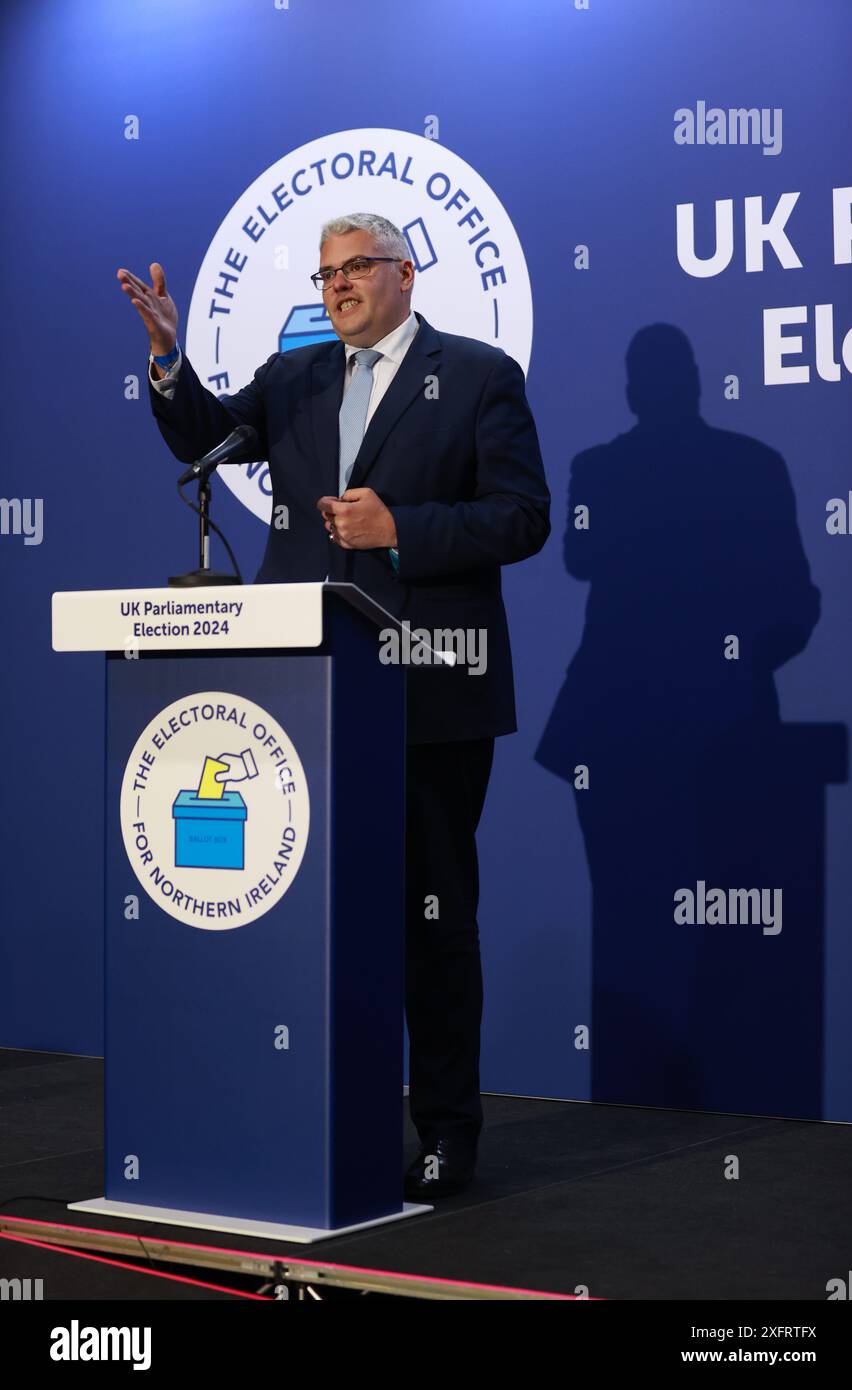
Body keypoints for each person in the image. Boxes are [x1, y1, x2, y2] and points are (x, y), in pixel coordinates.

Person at [117, 212, 550, 1199]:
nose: (337, 287)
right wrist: (168, 359)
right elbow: (206, 437)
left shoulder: (478, 375)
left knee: (430, 921)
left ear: (404, 273)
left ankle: (444, 1134)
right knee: (301, 921)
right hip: (297, 696)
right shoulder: (295, 375)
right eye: (324, 274)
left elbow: (522, 516)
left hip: (427, 690)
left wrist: (403, 526)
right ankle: (303, 1118)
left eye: (355, 268)